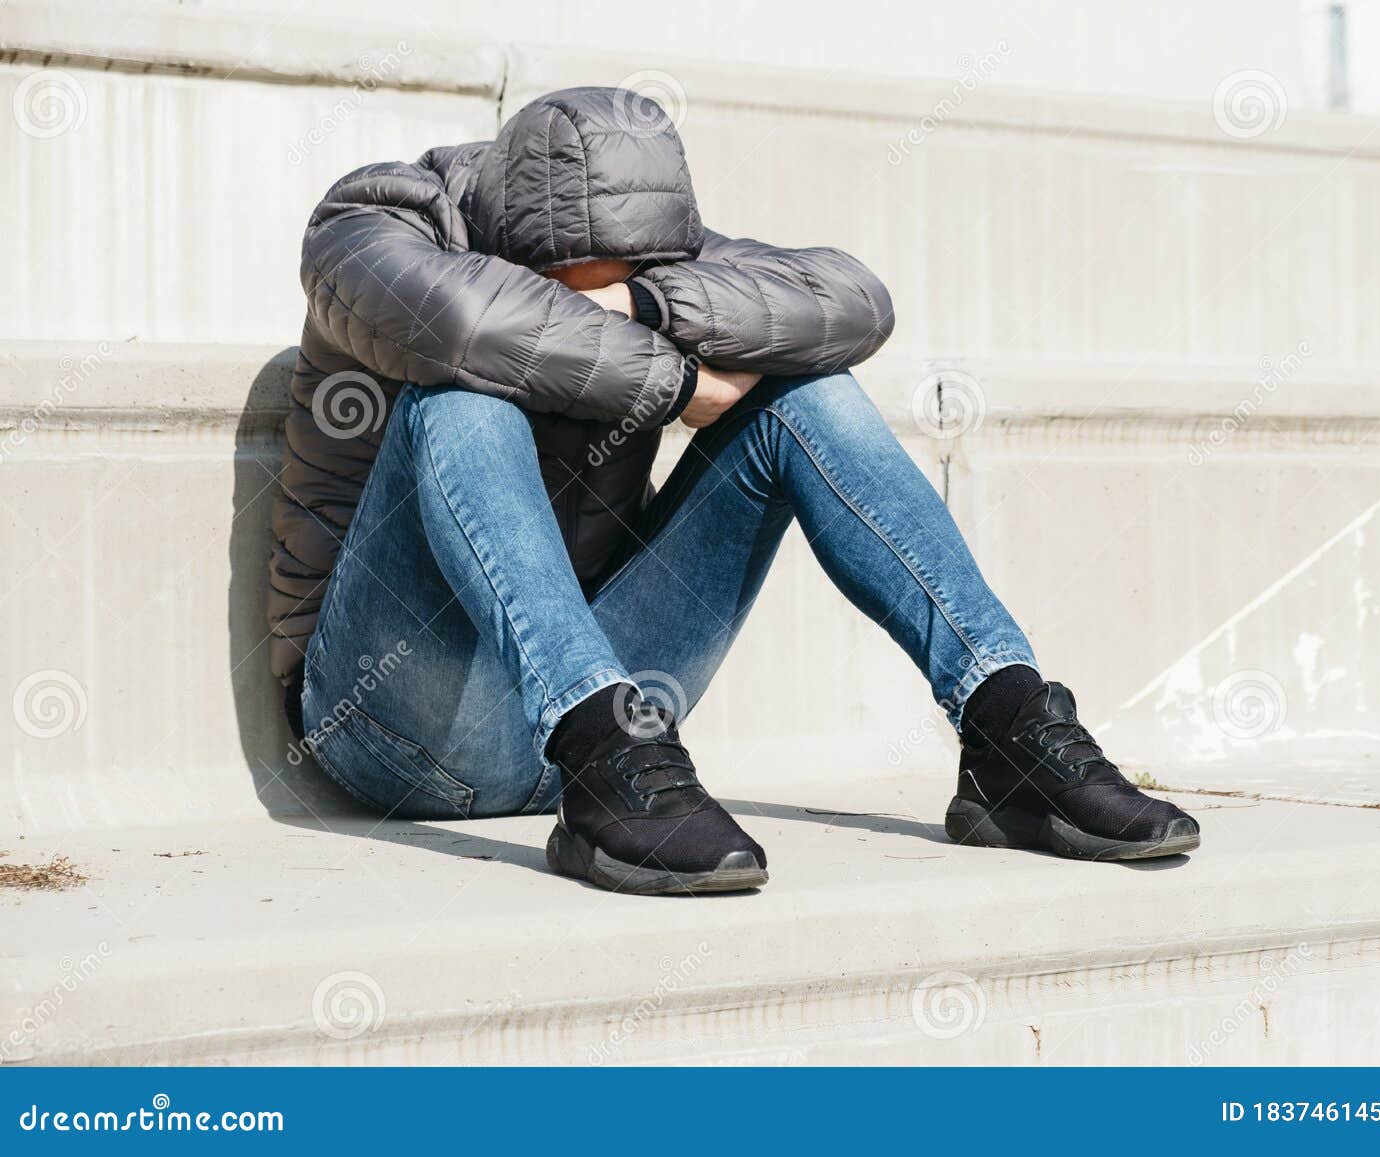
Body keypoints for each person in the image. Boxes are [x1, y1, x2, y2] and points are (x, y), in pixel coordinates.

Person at [268, 87, 1198, 895]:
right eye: (580, 292)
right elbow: (467, 324)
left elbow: (851, 300)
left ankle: (1008, 723)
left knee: (807, 388)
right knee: (464, 403)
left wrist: (645, 307)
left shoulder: (645, 246)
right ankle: (599, 750)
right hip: (392, 723)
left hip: (609, 722)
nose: (614, 296)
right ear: (517, 242)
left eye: (635, 279)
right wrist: (675, 381)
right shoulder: (374, 221)